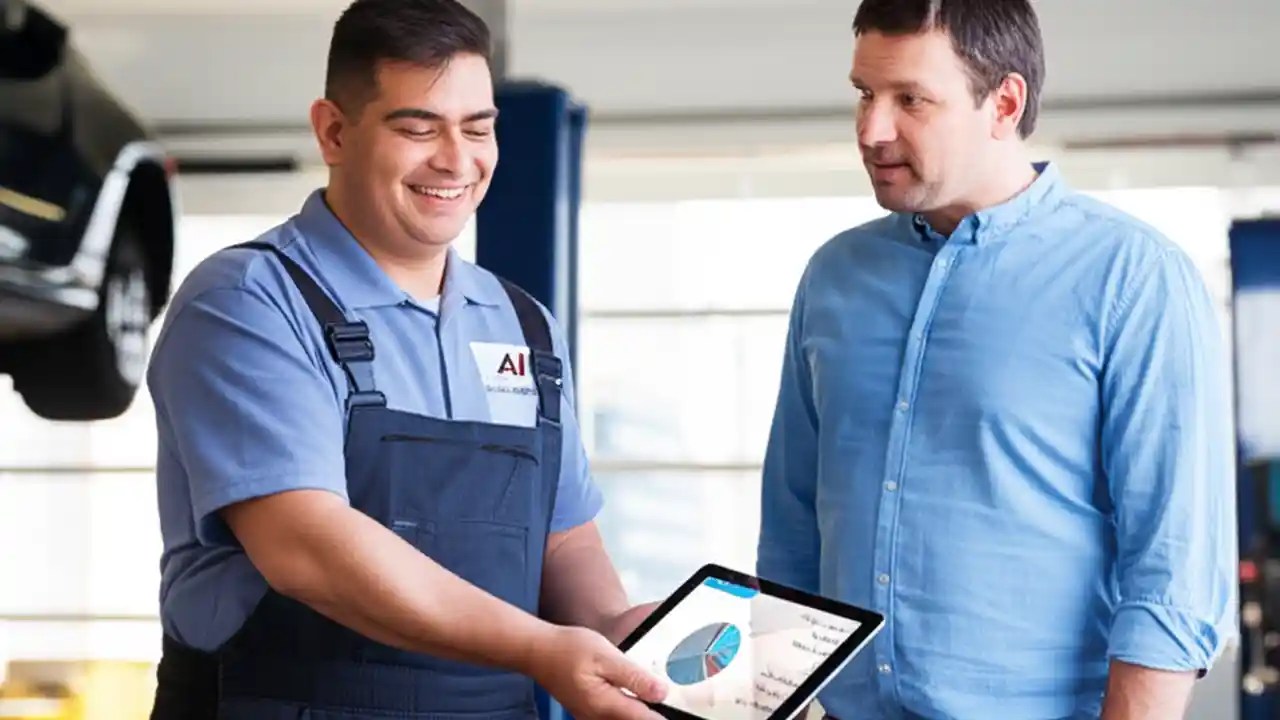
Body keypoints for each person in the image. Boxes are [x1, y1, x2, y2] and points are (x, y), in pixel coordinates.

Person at [145, 1, 669, 718]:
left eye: (478, 129)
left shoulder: (521, 324)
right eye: (419, 128)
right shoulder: (246, 302)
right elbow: (308, 550)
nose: (456, 160)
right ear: (333, 130)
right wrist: (542, 650)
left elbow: (562, 544)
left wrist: (624, 639)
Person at [755, 1, 1238, 719]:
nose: (871, 130)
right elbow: (792, 534)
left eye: (910, 99)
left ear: (1004, 103)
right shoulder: (834, 276)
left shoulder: (1132, 278)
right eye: (864, 93)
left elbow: (1174, 572)